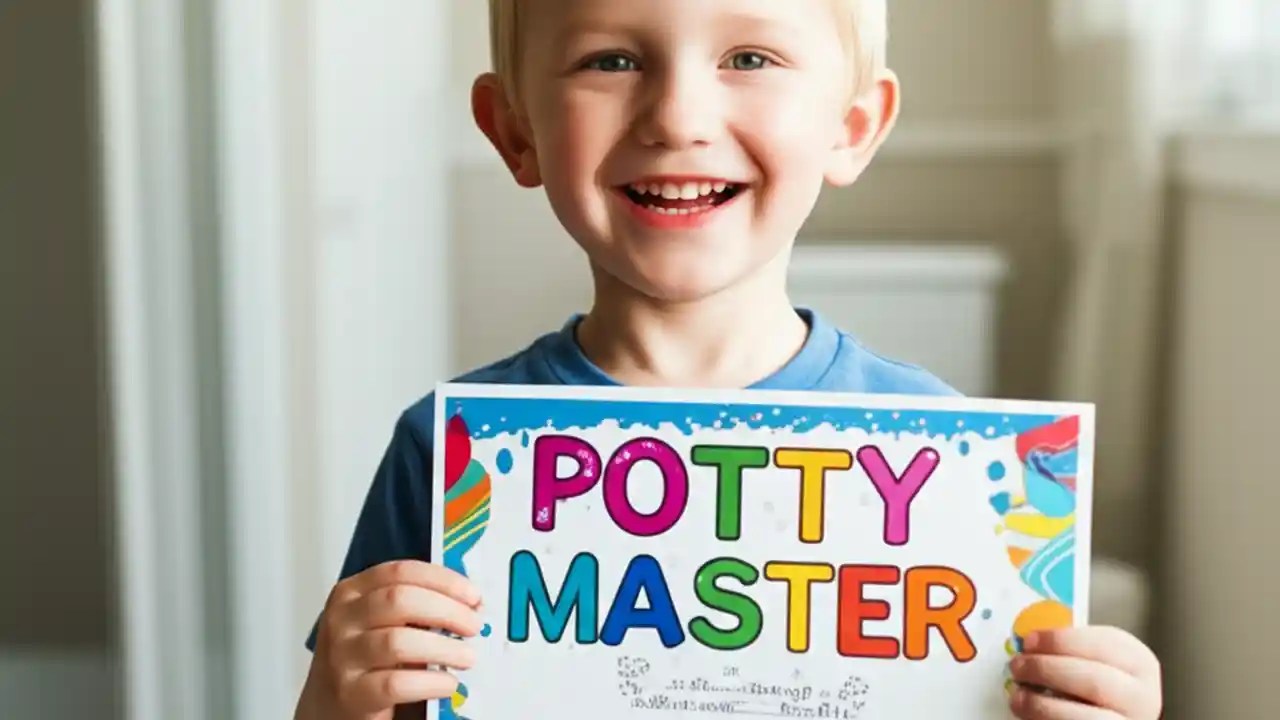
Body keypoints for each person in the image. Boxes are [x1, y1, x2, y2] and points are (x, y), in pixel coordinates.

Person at [293, 1, 1163, 718]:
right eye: (610, 60)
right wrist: (343, 692)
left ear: (851, 128)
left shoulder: (950, 464)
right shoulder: (446, 454)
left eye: (749, 58)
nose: (677, 117)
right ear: (514, 131)